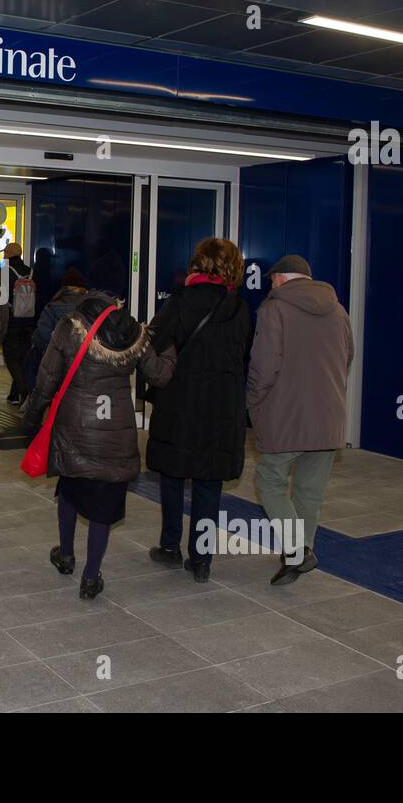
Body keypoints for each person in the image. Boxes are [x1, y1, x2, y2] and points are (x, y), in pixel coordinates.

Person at [24, 292, 177, 600]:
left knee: (70, 486)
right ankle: (91, 577)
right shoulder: (134, 332)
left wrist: (32, 413)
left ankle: (66, 555)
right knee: (104, 503)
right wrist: (171, 351)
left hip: (76, 424)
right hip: (116, 430)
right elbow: (159, 375)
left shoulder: (69, 327)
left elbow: (47, 376)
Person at [145, 238, 253, 583]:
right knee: (209, 484)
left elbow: (153, 343)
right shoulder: (240, 309)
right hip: (222, 407)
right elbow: (244, 355)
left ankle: (169, 546)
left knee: (174, 476)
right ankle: (202, 559)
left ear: (198, 264)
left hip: (181, 403)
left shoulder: (179, 302)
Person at [247, 254, 354, 585]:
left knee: (270, 480)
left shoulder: (273, 310)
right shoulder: (338, 310)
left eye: (271, 280)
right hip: (328, 415)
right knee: (310, 490)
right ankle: (300, 551)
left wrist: (250, 401)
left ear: (280, 278)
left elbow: (264, 366)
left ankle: (296, 549)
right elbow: (348, 355)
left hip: (286, 415)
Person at [26, 267, 87, 392]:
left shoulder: (52, 306)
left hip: (56, 364)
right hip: (84, 364)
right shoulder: (89, 306)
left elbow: (42, 334)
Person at [2, 242, 34, 406]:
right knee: (22, 356)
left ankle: (23, 391)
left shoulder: (5, 272)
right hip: (29, 320)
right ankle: (14, 395)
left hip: (12, 320)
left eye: (4, 252)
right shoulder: (30, 271)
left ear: (8, 254)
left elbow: (0, 297)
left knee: (11, 357)